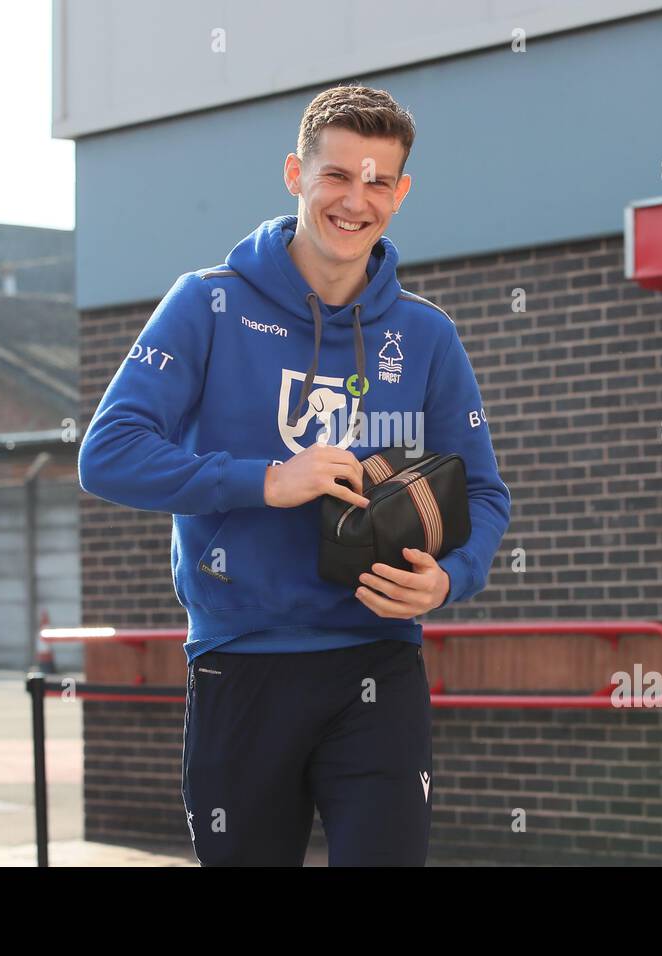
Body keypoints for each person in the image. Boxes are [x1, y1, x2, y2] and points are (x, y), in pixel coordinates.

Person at [77, 85, 511, 866]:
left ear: (401, 193)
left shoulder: (426, 335)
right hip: (242, 663)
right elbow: (108, 454)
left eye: (379, 182)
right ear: (294, 174)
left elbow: (484, 493)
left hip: (380, 663)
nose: (356, 200)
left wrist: (452, 580)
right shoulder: (206, 304)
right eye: (337, 176)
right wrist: (265, 481)